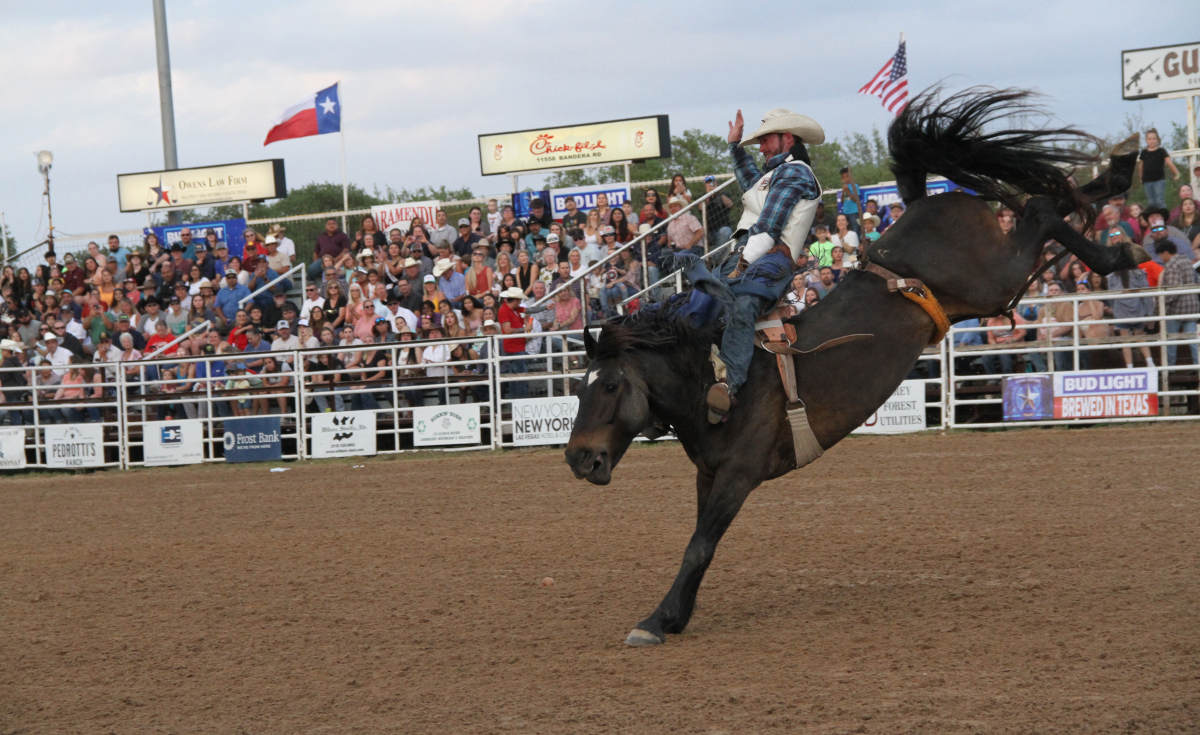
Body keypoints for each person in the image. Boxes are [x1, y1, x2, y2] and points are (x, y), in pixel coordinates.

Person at [706, 107, 825, 423]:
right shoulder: (777, 175)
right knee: (698, 302)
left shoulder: (797, 173)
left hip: (770, 258)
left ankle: (729, 386)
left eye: (765, 140)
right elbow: (751, 187)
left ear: (787, 138)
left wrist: (738, 267)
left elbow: (769, 227)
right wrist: (734, 146)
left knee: (743, 304)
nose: (759, 147)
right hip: (753, 254)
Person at [1157, 240, 1199, 367]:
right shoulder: (1186, 261)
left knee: (1170, 340)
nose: (1160, 258)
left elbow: (1174, 289)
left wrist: (1162, 304)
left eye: (1160, 254)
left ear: (1165, 253)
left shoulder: (1172, 265)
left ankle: (1170, 368)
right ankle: (1198, 366)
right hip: (1192, 306)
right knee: (1193, 341)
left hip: (1177, 309)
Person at [1137, 127, 1180, 210]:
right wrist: (1141, 177)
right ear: (1146, 140)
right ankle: (1154, 220)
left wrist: (1176, 173)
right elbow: (1140, 166)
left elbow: (1169, 162)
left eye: (1154, 138)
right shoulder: (1144, 152)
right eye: (1149, 139)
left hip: (1159, 180)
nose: (1152, 141)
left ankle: (1163, 219)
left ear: (1157, 140)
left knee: (1159, 201)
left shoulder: (1161, 151)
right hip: (1147, 181)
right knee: (1151, 202)